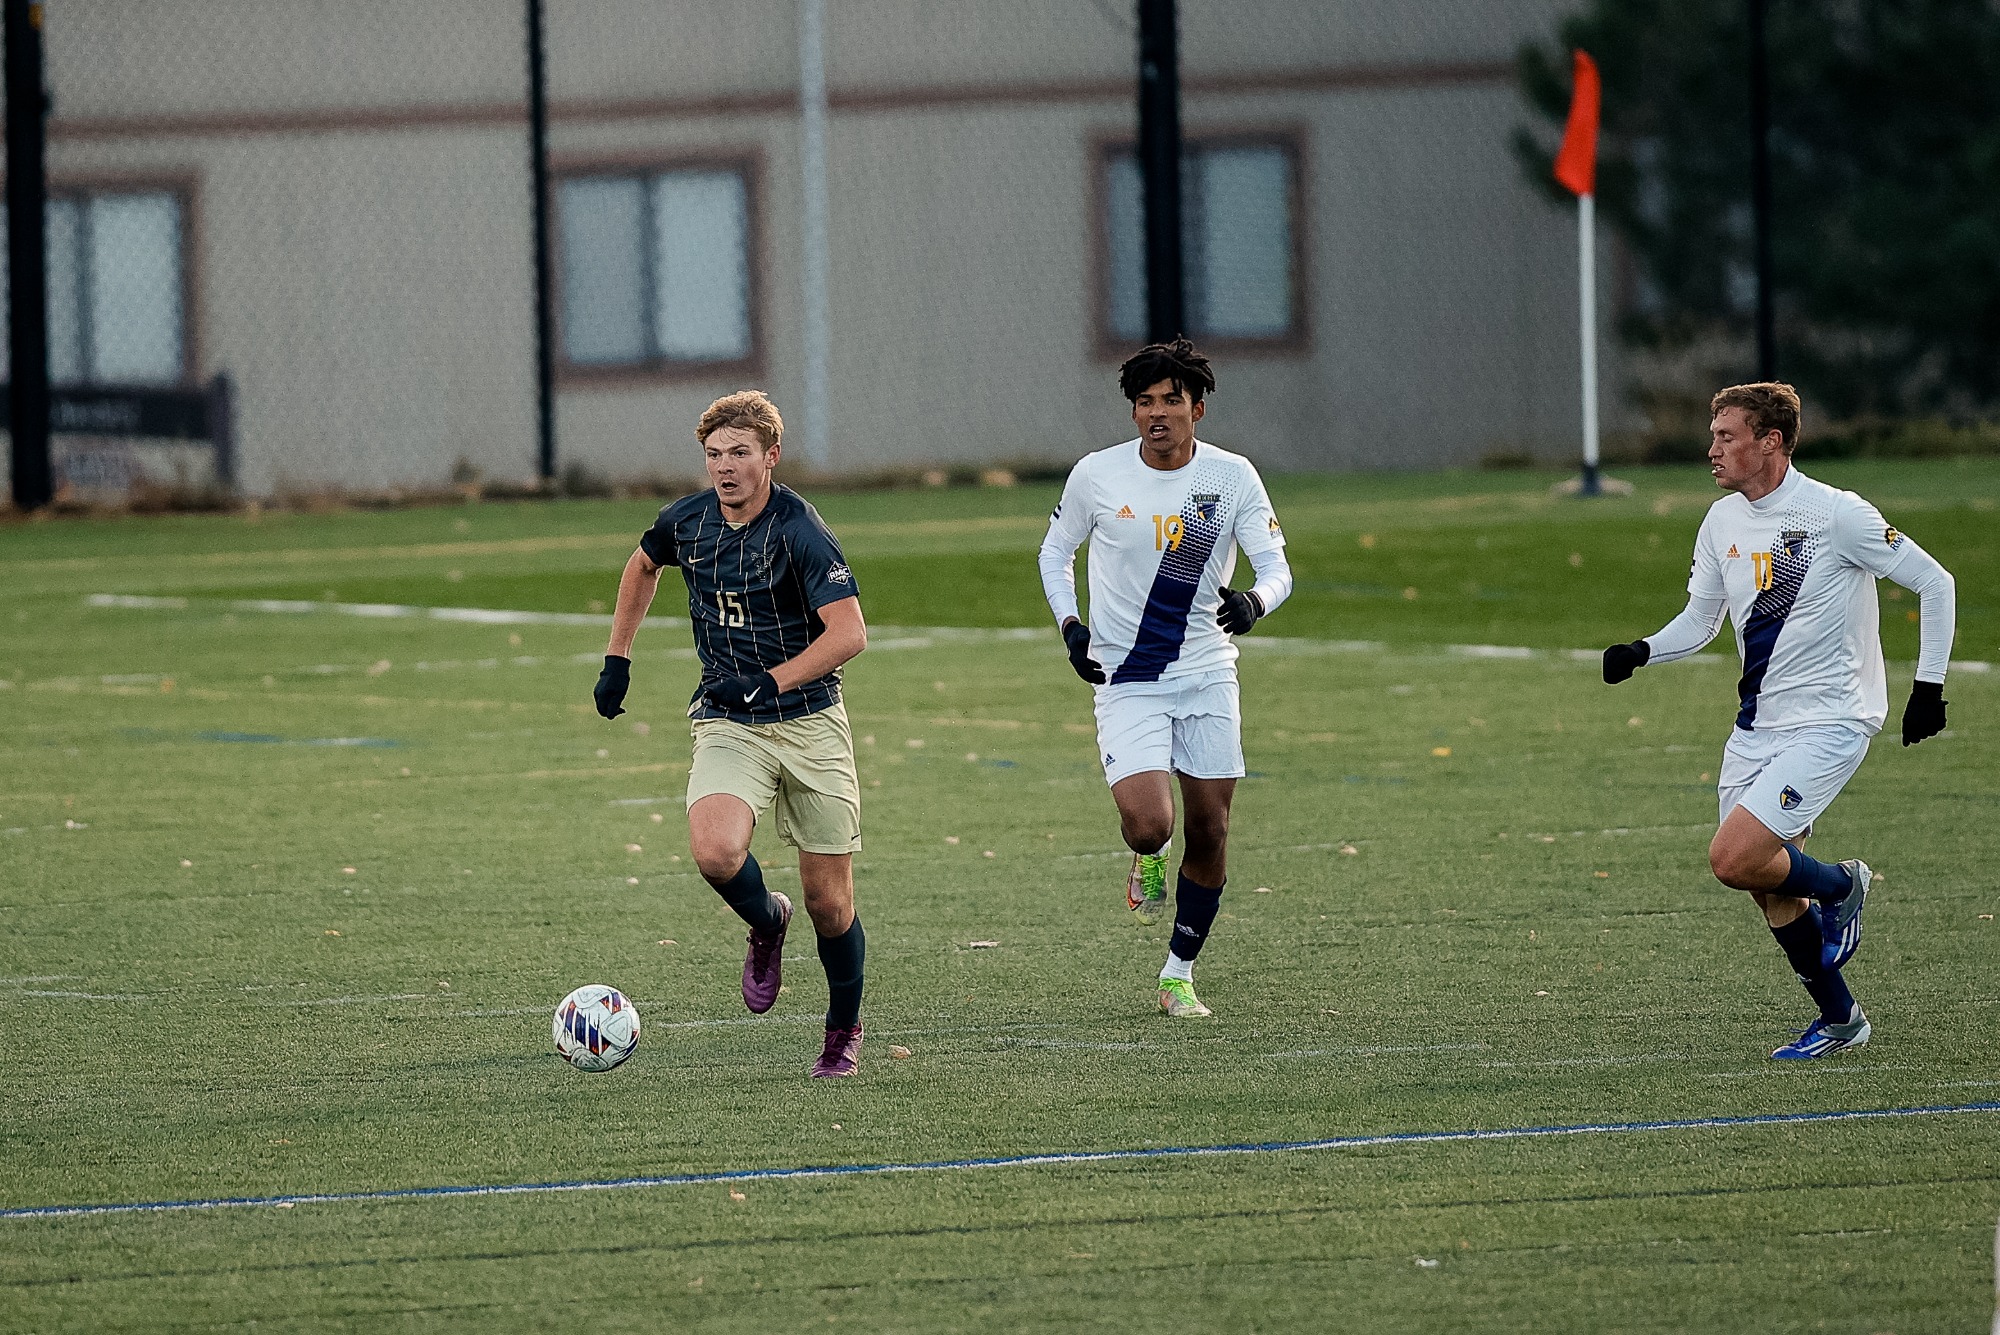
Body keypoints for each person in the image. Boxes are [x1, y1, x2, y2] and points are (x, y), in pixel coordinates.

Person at [1602, 382, 1956, 1060]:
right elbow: (1702, 619)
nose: (1712, 448)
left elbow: (1935, 581)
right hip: (1757, 728)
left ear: (1770, 441)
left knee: (1732, 857)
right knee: (1765, 882)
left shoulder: (1836, 515)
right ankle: (1843, 1018)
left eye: (1726, 435)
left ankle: (1841, 883)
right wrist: (1643, 650)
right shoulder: (1721, 521)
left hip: (1832, 721)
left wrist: (1929, 687)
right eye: (1713, 434)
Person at [592, 390, 870, 1078]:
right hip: (729, 720)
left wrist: (772, 680)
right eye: (714, 454)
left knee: (830, 903)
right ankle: (766, 921)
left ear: (770, 456)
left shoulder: (800, 529)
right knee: (716, 851)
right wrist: (616, 659)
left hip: (809, 722)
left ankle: (841, 1028)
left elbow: (850, 634)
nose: (725, 466)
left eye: (740, 453)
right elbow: (643, 564)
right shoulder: (685, 521)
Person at [1037, 338, 1293, 1018]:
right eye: (1144, 402)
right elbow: (1055, 552)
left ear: (1197, 409)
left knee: (1210, 830)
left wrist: (1253, 601)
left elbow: (1277, 569)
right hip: (1126, 673)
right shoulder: (1096, 475)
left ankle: (1178, 972)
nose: (1157, 414)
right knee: (1152, 824)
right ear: (1133, 413)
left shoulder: (1231, 478)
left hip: (1207, 670)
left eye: (1170, 401)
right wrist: (1070, 625)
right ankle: (1148, 857)